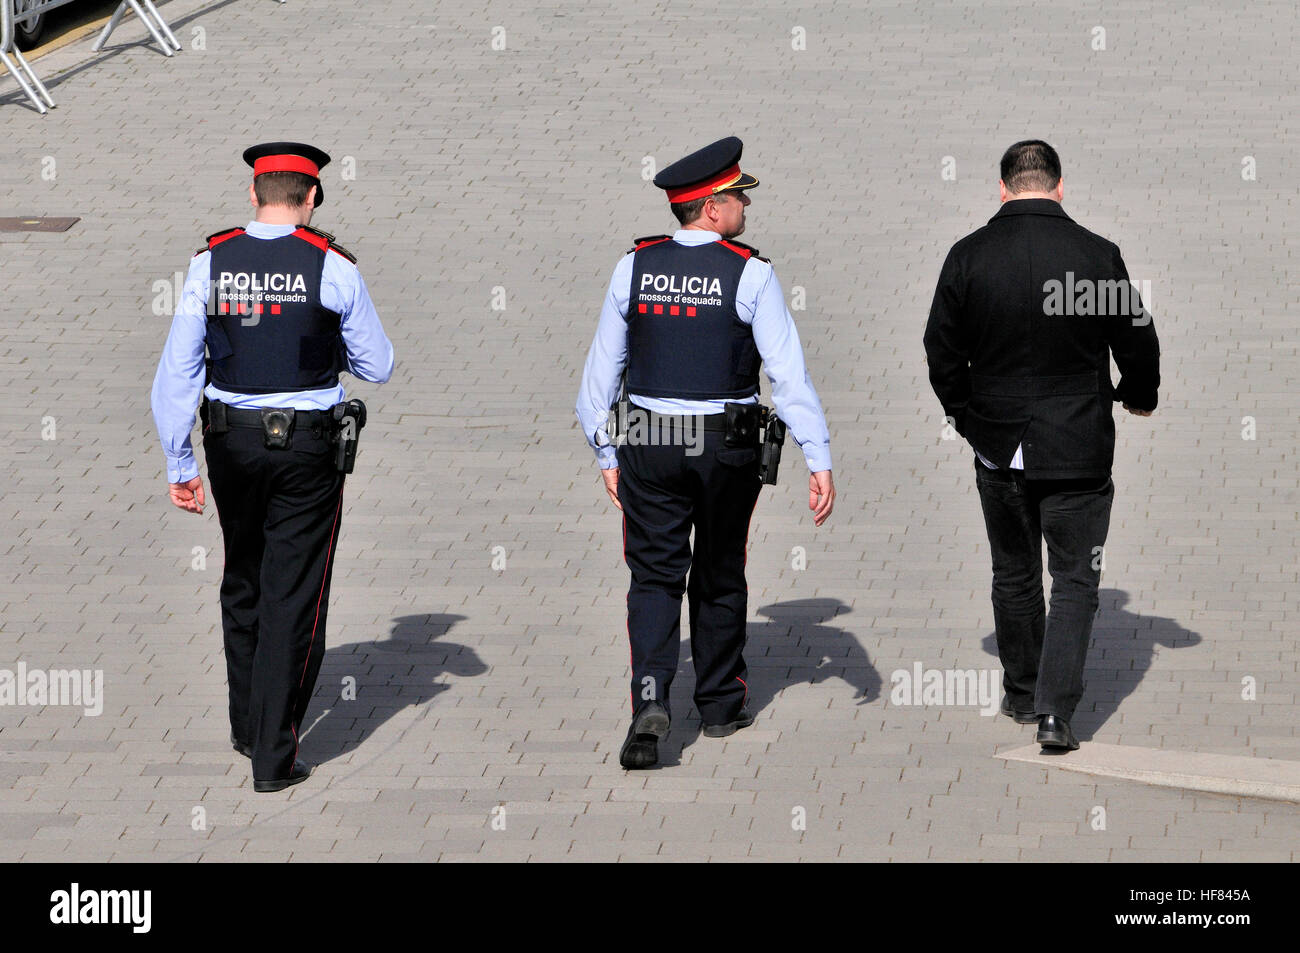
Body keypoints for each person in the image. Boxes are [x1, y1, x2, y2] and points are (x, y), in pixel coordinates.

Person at [576, 136, 835, 769]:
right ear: (713, 209)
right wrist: (817, 454)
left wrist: (606, 452)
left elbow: (598, 377)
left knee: (654, 576)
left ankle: (649, 702)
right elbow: (787, 375)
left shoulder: (633, 266)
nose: (745, 206)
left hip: (648, 443)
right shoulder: (750, 272)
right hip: (725, 450)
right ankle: (719, 705)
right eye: (738, 197)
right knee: (720, 569)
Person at [150, 142, 394, 791]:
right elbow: (379, 364)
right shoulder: (332, 266)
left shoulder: (211, 261)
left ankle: (244, 722)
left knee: (244, 575)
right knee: (296, 592)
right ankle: (273, 753)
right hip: (308, 448)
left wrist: (179, 462)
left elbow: (177, 371)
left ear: (253, 196)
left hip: (230, 442)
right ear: (311, 198)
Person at [923, 139, 1160, 750]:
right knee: (1076, 577)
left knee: (1014, 570)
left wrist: (966, 415)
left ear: (1003, 188)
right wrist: (1139, 393)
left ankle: (1024, 693)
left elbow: (940, 350)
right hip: (1077, 443)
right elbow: (1136, 340)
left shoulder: (967, 256)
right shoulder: (1096, 254)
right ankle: (1057, 712)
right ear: (1059, 186)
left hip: (998, 445)